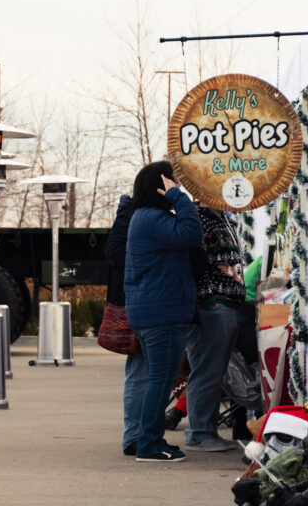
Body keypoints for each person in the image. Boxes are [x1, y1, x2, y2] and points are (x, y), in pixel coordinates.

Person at [124, 160, 203, 462]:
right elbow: (191, 232)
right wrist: (178, 198)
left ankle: (150, 441)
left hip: (155, 311)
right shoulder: (152, 219)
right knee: (161, 380)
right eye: (173, 182)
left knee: (159, 379)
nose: (179, 186)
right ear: (161, 186)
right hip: (161, 312)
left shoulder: (144, 218)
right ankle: (149, 444)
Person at [184, 204, 245, 452]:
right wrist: (206, 297)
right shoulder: (200, 218)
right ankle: (198, 433)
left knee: (214, 370)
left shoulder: (223, 218)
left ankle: (206, 430)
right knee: (206, 370)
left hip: (225, 302)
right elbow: (195, 261)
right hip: (213, 303)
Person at [103, 193, 144, 456]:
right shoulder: (131, 214)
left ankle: (136, 434)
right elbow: (117, 253)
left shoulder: (131, 214)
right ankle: (134, 436)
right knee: (140, 370)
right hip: (134, 303)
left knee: (140, 370)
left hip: (132, 300)